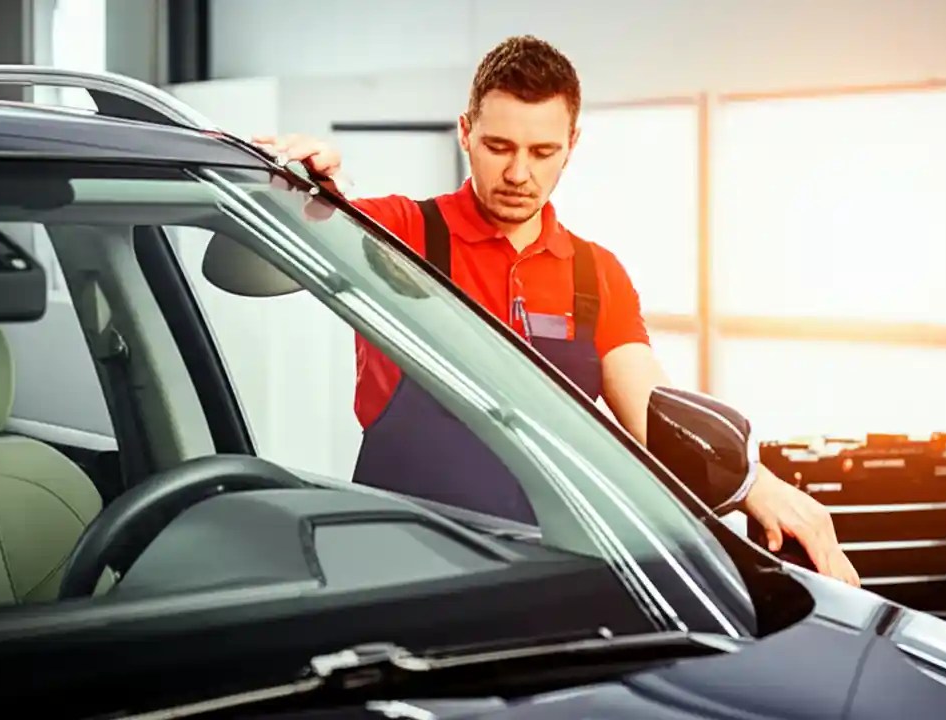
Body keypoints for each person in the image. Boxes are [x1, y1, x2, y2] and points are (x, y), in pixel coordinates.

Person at [253, 35, 860, 587]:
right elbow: (243, 273)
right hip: (392, 579)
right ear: (465, 132)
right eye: (498, 146)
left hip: (544, 586)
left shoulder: (596, 276)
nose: (519, 173)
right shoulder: (399, 232)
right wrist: (291, 197)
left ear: (572, 145)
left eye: (542, 151)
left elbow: (655, 418)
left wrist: (756, 484)